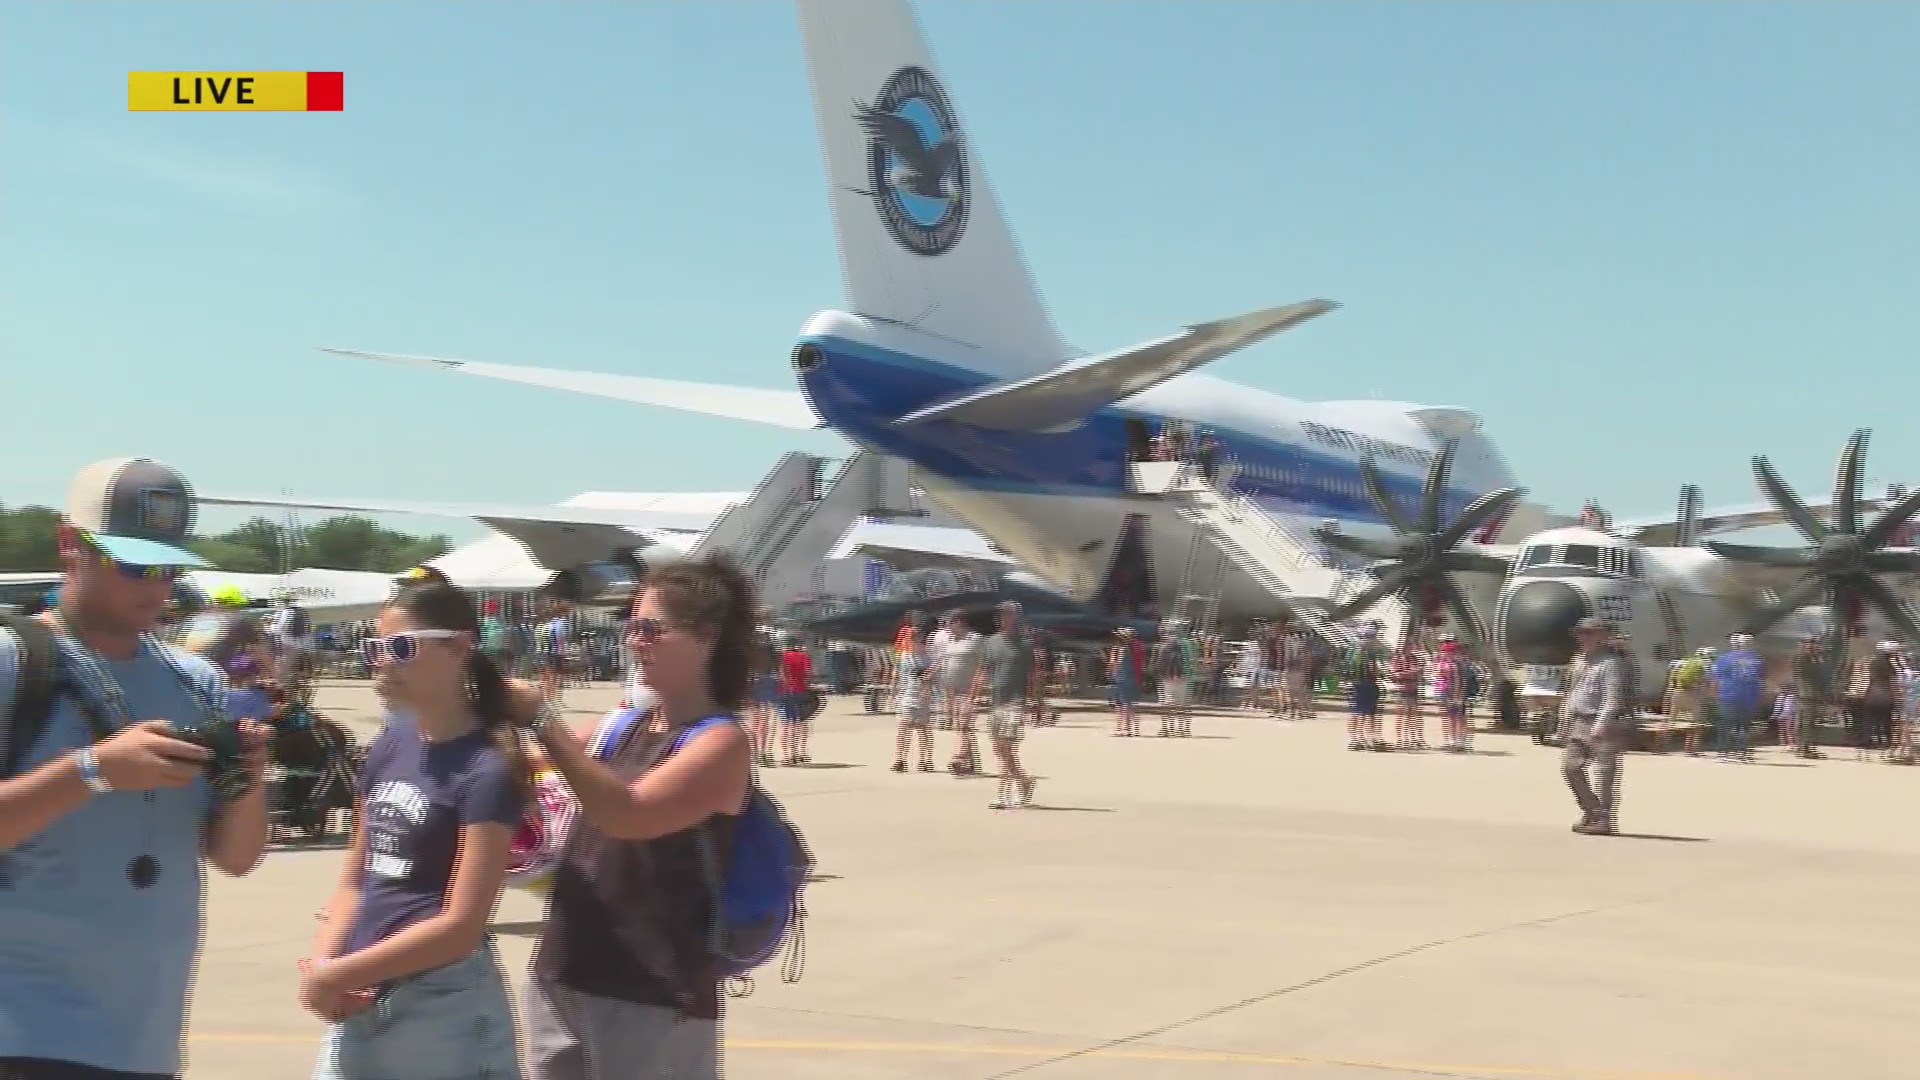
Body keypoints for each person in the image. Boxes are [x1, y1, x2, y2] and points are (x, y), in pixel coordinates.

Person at [0, 457, 271, 1080]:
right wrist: (92, 771)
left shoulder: (195, 678)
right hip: (22, 1029)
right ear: (71, 546)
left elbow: (236, 857)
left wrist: (250, 777)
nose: (158, 586)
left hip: (142, 1039)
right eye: (134, 565)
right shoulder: (17, 662)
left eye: (170, 567)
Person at [517, 554, 756, 1080]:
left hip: (651, 986)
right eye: (631, 627)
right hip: (566, 965)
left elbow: (629, 815)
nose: (633, 641)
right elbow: (523, 760)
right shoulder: (625, 726)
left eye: (650, 629)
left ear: (707, 637)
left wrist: (541, 718)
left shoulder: (720, 741)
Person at [303, 576, 530, 1079]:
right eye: (375, 647)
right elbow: (355, 880)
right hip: (362, 987)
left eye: (401, 646)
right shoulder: (387, 748)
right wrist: (325, 963)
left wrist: (339, 974)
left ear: (458, 648)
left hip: (442, 1003)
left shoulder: (487, 767)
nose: (381, 660)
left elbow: (461, 926)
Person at [1561, 618, 1627, 835]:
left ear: (1603, 636)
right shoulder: (1579, 661)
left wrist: (1601, 723)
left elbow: (1612, 698)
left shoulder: (1611, 663)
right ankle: (1591, 810)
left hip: (1603, 722)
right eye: (1581, 633)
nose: (1584, 637)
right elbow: (1571, 692)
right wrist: (1564, 721)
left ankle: (1604, 819)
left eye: (1590, 633)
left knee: (1604, 775)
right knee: (1571, 768)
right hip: (1580, 720)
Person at [972, 602, 1037, 808]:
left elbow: (1033, 675)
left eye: (1008, 614)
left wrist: (1036, 702)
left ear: (1017, 616)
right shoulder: (990, 642)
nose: (1004, 617)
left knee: (1007, 748)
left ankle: (1003, 795)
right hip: (996, 702)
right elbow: (982, 670)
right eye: (1001, 614)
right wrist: (973, 698)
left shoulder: (1025, 645)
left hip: (1015, 701)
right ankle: (1024, 781)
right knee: (1000, 750)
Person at [1708, 633, 1764, 762]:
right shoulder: (1756, 660)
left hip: (1727, 696)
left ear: (1732, 644)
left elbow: (1714, 680)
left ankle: (1723, 753)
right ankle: (1741, 752)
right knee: (1743, 727)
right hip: (1749, 697)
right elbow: (1760, 680)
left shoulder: (1723, 659)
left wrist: (1713, 696)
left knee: (1725, 726)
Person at [891, 623, 934, 773]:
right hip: (907, 696)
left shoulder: (927, 659)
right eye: (912, 639)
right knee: (903, 728)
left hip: (922, 698)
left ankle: (925, 759)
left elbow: (931, 679)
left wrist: (927, 690)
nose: (916, 642)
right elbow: (897, 676)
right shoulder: (904, 657)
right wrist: (894, 693)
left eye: (918, 639)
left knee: (922, 729)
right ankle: (900, 759)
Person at [776, 634, 813, 766]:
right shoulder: (804, 656)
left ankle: (786, 756)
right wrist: (806, 685)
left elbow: (781, 673)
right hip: (800, 690)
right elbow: (808, 674)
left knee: (786, 724)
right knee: (799, 722)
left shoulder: (782, 657)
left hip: (785, 691)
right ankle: (798, 752)